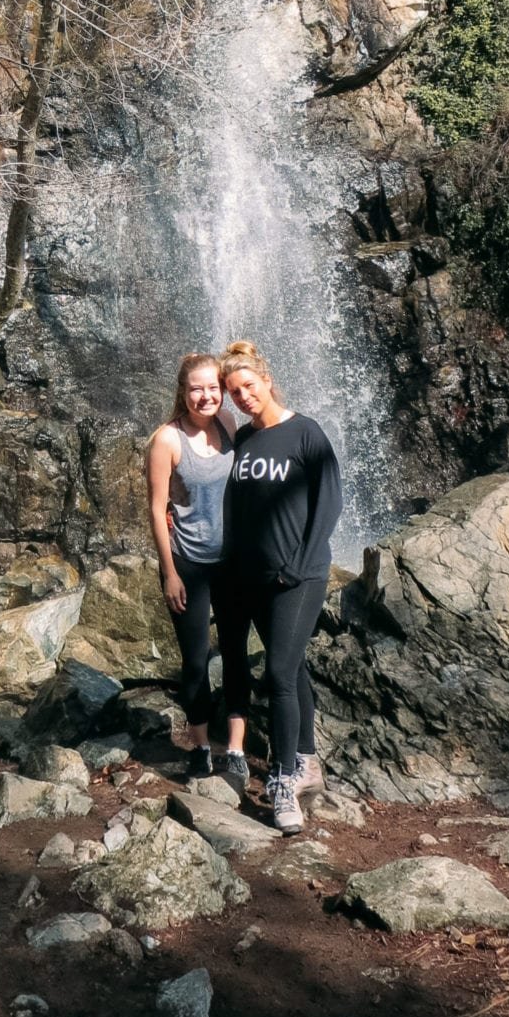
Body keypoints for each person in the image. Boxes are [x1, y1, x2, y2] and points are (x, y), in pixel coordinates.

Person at [218, 339, 342, 833]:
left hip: (298, 577)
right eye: (234, 392)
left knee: (278, 674)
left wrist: (299, 565)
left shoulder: (306, 432)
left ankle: (283, 780)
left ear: (266, 380)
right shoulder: (244, 440)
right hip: (251, 578)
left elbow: (329, 505)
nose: (243, 397)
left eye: (248, 386)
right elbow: (235, 509)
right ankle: (308, 760)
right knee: (292, 670)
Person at [145, 352, 251, 786]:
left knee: (236, 653)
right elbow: (156, 509)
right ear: (183, 392)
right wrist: (169, 572)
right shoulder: (167, 440)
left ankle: (237, 750)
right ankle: (202, 747)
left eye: (212, 388)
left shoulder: (227, 422)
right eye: (196, 389)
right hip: (188, 563)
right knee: (195, 660)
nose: (206, 396)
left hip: (231, 563)